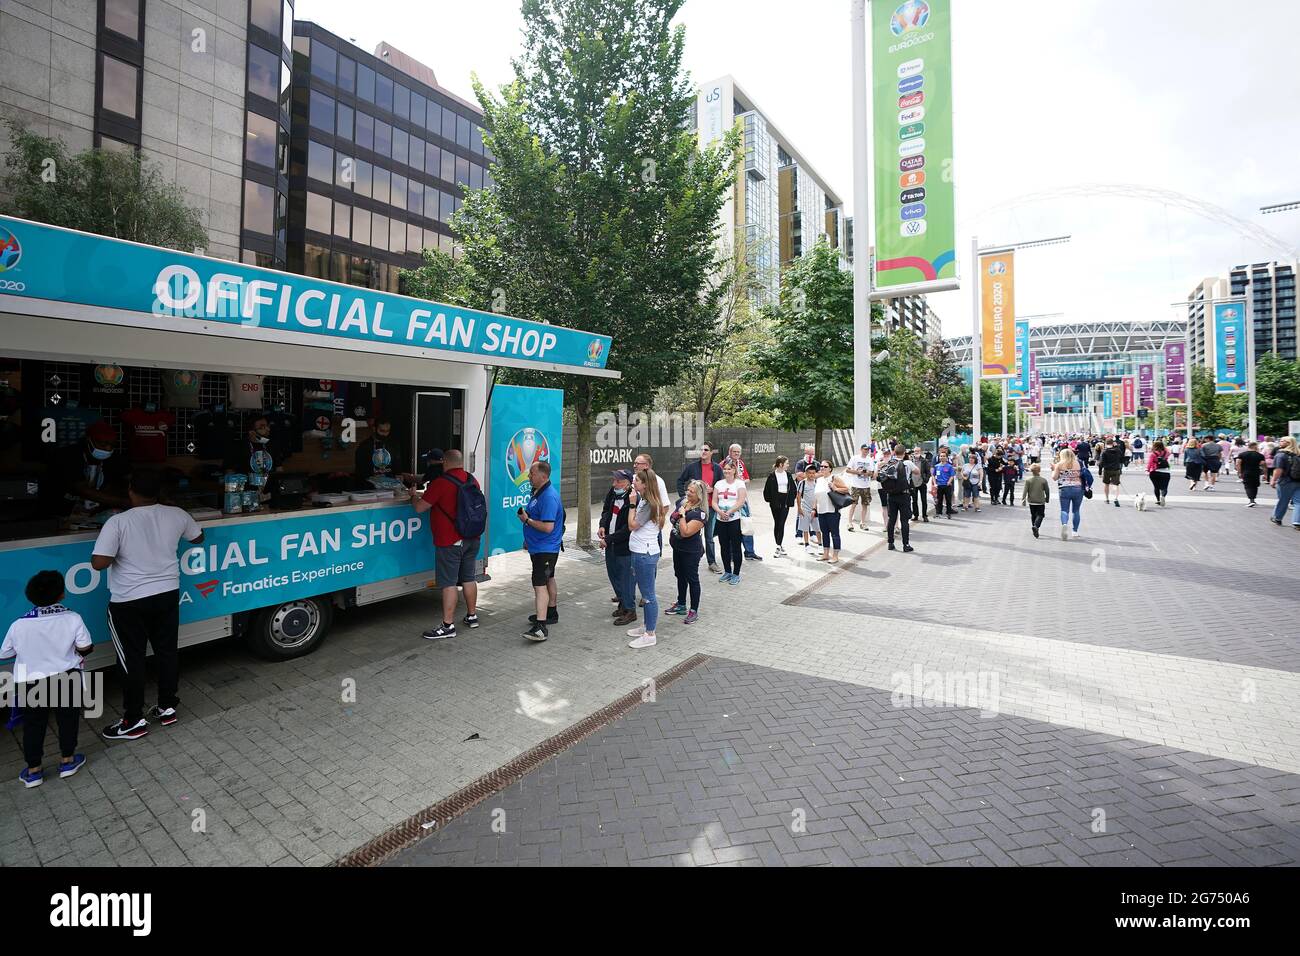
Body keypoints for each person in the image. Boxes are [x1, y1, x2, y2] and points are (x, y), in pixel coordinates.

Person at [92, 471, 205, 739]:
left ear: (131, 490)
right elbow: (198, 538)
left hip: (129, 600)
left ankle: (133, 720)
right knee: (167, 652)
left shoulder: (118, 522)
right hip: (167, 593)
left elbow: (99, 563)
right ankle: (167, 707)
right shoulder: (176, 514)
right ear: (159, 492)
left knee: (132, 659)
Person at [3, 570, 93, 787]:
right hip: (66, 677)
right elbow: (86, 647)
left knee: (34, 725)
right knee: (68, 720)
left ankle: (33, 771)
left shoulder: (19, 625)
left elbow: (4, 653)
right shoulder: (72, 618)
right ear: (61, 594)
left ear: (29, 596)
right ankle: (68, 761)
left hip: (31, 681)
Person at [410, 449, 482, 640]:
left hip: (450, 541)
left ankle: (448, 626)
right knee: (468, 577)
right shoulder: (471, 479)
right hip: (472, 538)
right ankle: (472, 616)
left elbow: (419, 507)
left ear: (445, 463)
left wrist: (413, 496)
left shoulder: (440, 483)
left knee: (449, 583)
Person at [39, 420, 129, 518]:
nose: (108, 449)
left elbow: (128, 477)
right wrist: (123, 501)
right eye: (103, 444)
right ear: (88, 440)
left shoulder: (114, 458)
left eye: (112, 445)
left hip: (95, 514)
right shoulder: (67, 455)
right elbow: (82, 489)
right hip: (58, 513)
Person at [520, 460, 564, 642]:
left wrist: (526, 520)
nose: (529, 476)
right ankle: (551, 612)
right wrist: (528, 538)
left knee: (539, 585)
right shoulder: (539, 491)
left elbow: (547, 527)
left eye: (532, 474)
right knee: (549, 578)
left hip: (545, 549)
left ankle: (541, 627)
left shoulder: (548, 497)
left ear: (543, 476)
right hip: (540, 547)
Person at [625, 469, 665, 648]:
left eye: (637, 480)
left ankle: (650, 634)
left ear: (645, 484)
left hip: (645, 554)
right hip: (639, 552)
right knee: (645, 592)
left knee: (648, 595)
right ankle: (646, 625)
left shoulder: (648, 503)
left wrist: (632, 505)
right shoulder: (645, 501)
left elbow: (633, 525)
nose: (634, 482)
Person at [665, 479, 707, 625]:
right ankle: (681, 604)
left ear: (700, 495)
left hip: (691, 551)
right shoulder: (683, 502)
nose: (688, 493)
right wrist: (679, 513)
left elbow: (685, 532)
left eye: (692, 491)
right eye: (688, 489)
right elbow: (671, 518)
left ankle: (694, 610)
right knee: (680, 576)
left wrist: (682, 515)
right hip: (678, 548)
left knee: (692, 579)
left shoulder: (700, 514)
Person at [676, 444, 722, 573]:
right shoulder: (692, 467)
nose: (703, 452)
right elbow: (680, 481)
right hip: (694, 508)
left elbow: (721, 485)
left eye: (706, 450)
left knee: (709, 536)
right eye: (701, 450)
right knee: (690, 533)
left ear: (712, 452)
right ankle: (691, 557)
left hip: (710, 508)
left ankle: (712, 562)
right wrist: (684, 498)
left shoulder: (717, 468)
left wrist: (713, 490)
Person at [598, 469, 636, 626]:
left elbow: (629, 528)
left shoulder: (633, 499)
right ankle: (622, 602)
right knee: (613, 574)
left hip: (623, 544)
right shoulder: (613, 493)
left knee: (626, 578)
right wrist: (602, 526)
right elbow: (606, 510)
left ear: (627, 483)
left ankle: (630, 610)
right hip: (610, 541)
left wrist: (609, 538)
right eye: (614, 480)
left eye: (618, 481)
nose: (614, 483)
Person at [722, 443, 762, 561]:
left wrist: (742, 480)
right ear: (729, 452)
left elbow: (748, 479)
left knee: (747, 524)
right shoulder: (724, 464)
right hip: (729, 499)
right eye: (735, 452)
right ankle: (732, 554)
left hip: (742, 499)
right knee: (732, 527)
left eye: (738, 452)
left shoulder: (741, 463)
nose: (737, 454)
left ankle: (749, 552)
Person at [222, 413, 277, 491]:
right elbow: (229, 473)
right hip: (246, 494)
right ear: (251, 432)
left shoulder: (272, 445)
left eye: (267, 426)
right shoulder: (237, 447)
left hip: (268, 493)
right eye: (262, 427)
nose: (268, 429)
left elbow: (279, 472)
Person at [712, 461, 747, 583]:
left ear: (734, 470)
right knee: (724, 546)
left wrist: (730, 511)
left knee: (736, 547)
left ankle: (736, 574)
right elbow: (714, 502)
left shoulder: (740, 484)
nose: (726, 471)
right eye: (725, 469)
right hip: (720, 519)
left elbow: (741, 501)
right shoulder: (719, 484)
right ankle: (727, 571)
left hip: (734, 520)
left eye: (729, 469)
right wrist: (720, 512)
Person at [877, 445, 915, 553]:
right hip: (904, 495)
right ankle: (906, 544)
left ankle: (890, 543)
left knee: (892, 519)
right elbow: (917, 471)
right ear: (904, 453)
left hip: (891, 495)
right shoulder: (907, 463)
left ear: (894, 452)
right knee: (904, 521)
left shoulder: (888, 463)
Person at [811, 460, 849, 563]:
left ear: (830, 469)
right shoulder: (818, 480)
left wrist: (835, 488)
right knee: (825, 533)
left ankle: (835, 556)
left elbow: (846, 489)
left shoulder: (834, 478)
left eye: (825, 466)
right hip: (821, 511)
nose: (822, 468)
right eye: (821, 466)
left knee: (835, 533)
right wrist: (814, 509)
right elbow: (816, 497)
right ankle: (826, 554)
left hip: (833, 511)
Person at [355, 417, 409, 484]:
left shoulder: (393, 444)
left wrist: (399, 475)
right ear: (374, 429)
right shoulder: (364, 446)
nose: (385, 434)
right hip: (371, 486)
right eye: (382, 431)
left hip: (391, 484)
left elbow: (397, 465)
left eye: (387, 431)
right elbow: (360, 472)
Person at [1051, 446, 1088, 540]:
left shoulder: (1059, 464)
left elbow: (1054, 478)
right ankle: (1075, 531)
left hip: (1064, 488)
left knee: (1064, 510)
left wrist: (1054, 469)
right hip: (1078, 488)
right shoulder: (1079, 463)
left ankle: (1064, 524)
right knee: (1076, 510)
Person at [763, 456, 797, 557]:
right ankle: (779, 545)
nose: (788, 465)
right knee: (777, 523)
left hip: (785, 501)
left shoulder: (788, 475)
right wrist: (771, 500)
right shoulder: (772, 475)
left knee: (781, 523)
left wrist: (791, 499)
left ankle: (778, 545)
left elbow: (793, 489)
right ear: (781, 464)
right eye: (786, 463)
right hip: (775, 502)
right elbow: (767, 490)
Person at [1268, 436, 1300, 529]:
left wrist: (1273, 480)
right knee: (1298, 502)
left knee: (1283, 500)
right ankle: (1297, 521)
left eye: (1282, 441)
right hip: (1298, 481)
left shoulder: (1281, 455)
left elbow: (1278, 469)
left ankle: (1277, 517)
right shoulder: (1297, 454)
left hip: (1285, 481)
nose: (1280, 442)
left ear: (1288, 443)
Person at [845, 443, 875, 531]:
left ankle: (862, 522)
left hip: (866, 485)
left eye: (868, 450)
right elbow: (847, 470)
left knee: (865, 504)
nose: (866, 451)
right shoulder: (855, 458)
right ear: (861, 449)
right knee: (853, 504)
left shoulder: (870, 459)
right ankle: (849, 523)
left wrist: (867, 473)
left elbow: (872, 473)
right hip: (856, 485)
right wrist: (858, 472)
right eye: (865, 449)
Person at [1021, 463, 1051, 538]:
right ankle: (1036, 526)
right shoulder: (1043, 480)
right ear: (1039, 470)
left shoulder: (1028, 480)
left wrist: (1023, 499)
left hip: (1031, 501)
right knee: (1040, 514)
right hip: (1040, 500)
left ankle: (1034, 526)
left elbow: (1025, 490)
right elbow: (1047, 490)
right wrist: (1047, 498)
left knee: (1033, 515)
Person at [795, 461, 820, 549]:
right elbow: (798, 496)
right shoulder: (802, 483)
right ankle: (807, 544)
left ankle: (820, 544)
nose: (811, 475)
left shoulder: (817, 482)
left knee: (817, 528)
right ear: (806, 473)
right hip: (805, 509)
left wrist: (816, 508)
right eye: (809, 473)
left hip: (815, 509)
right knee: (805, 528)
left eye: (813, 473)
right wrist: (799, 508)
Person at [1236, 441, 1265, 508]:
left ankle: (1251, 500)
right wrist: (1265, 473)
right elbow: (1263, 464)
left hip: (1245, 472)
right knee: (1255, 486)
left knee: (1248, 486)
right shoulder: (1260, 455)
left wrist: (1239, 472)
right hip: (1256, 472)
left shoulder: (1242, 454)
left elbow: (1238, 463)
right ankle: (1253, 499)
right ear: (1255, 447)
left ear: (1248, 446)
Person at [1099, 437, 1125, 507]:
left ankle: (1107, 499)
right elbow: (1122, 455)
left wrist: (1100, 472)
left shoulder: (1104, 451)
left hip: (1107, 470)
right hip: (1116, 469)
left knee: (1106, 484)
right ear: (1113, 443)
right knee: (1115, 485)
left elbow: (1101, 463)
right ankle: (1115, 498)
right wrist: (1116, 446)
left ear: (1105, 443)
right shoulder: (1117, 450)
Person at [931, 447, 957, 518]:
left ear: (946, 457)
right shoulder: (936, 466)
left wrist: (949, 481)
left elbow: (952, 475)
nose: (942, 457)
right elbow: (933, 475)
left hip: (947, 485)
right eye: (941, 456)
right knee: (939, 500)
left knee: (948, 500)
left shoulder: (949, 466)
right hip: (939, 485)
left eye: (944, 456)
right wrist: (935, 483)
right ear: (939, 457)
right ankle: (939, 512)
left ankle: (948, 513)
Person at [908, 447, 931, 522]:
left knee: (924, 500)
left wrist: (926, 480)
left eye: (918, 451)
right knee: (914, 501)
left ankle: (924, 515)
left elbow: (928, 472)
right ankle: (916, 515)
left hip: (922, 482)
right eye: (915, 451)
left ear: (920, 451)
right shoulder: (910, 461)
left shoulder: (924, 461)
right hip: (913, 484)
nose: (916, 452)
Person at [1146, 440, 1171, 507]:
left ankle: (1158, 500)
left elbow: (1150, 463)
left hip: (1155, 472)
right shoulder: (1166, 453)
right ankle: (1163, 496)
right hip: (1165, 472)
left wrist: (1147, 470)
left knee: (1156, 487)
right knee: (1164, 487)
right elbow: (1167, 452)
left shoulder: (1153, 454)